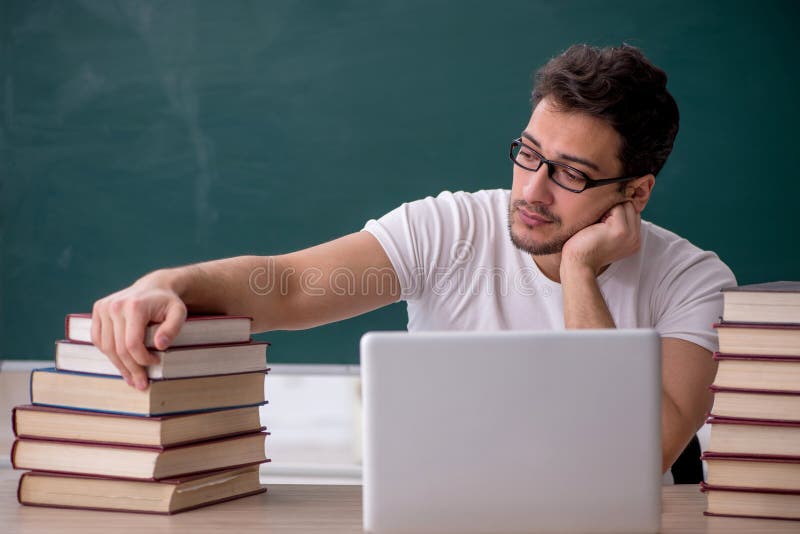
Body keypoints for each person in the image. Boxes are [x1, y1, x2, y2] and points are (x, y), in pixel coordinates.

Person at [89, 44, 736, 475]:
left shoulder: (693, 283)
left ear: (635, 192)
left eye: (569, 173)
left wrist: (577, 275)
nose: (531, 190)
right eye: (528, 154)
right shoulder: (451, 231)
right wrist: (165, 283)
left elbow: (639, 453)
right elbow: (284, 286)